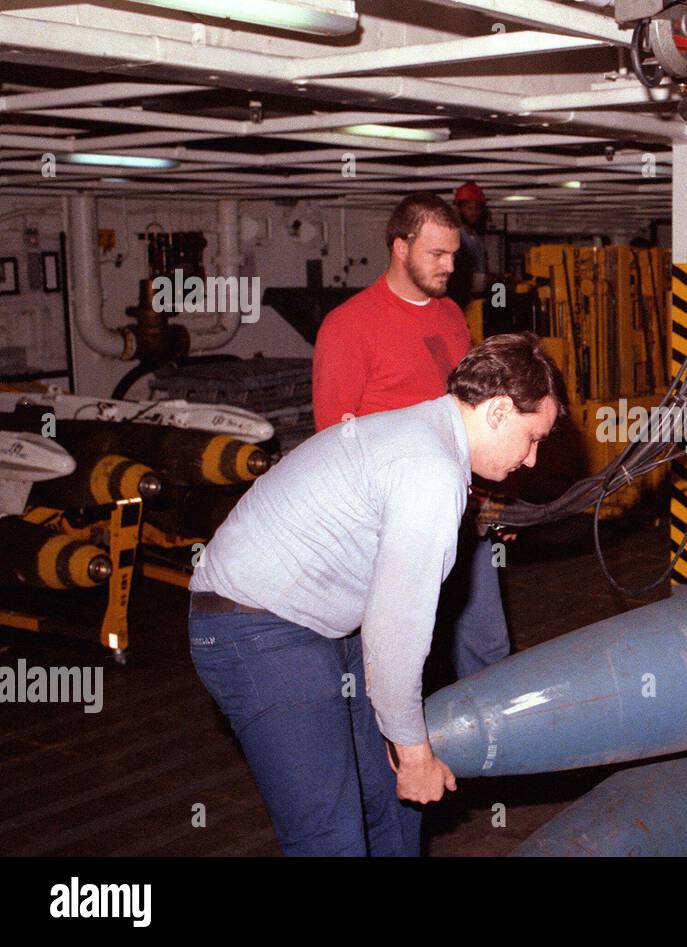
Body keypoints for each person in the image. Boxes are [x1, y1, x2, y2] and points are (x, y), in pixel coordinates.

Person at [189, 334, 565, 856]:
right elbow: (396, 631)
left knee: (388, 799)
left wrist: (405, 744)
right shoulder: (432, 469)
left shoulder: (425, 433)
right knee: (331, 834)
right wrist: (414, 754)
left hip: (318, 623)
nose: (531, 459)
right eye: (532, 438)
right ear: (500, 412)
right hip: (253, 628)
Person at [313, 192, 510, 681]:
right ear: (400, 247)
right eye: (436, 255)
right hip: (392, 525)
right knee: (404, 659)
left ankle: (493, 752)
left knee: (487, 642)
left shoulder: (450, 317)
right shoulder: (348, 326)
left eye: (453, 256)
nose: (449, 266)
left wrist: (488, 493)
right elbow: (332, 443)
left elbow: (465, 417)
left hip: (460, 511)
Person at [449, 181, 489, 310]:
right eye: (469, 208)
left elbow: (478, 273)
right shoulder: (454, 236)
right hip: (458, 300)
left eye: (477, 208)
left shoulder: (477, 239)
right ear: (459, 209)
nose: (474, 212)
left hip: (474, 300)